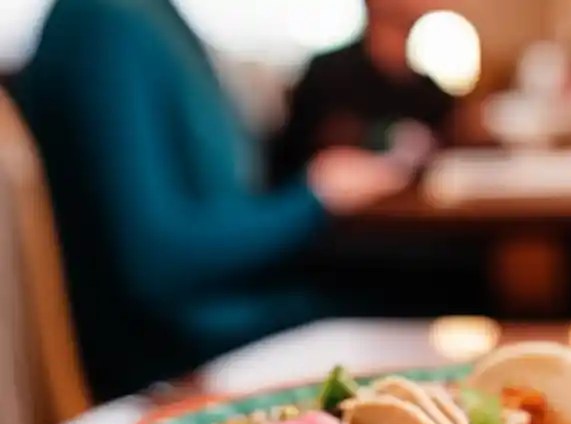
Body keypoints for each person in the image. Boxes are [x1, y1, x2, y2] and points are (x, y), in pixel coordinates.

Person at [15, 0, 412, 401]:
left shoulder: (147, 20)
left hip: (217, 317)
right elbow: (158, 261)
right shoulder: (104, 23)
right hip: (177, 357)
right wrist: (315, 197)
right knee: (427, 295)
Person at [271, 0, 456, 181]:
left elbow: (448, 134)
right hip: (325, 203)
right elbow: (306, 143)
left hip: (413, 203)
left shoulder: (425, 86)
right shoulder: (329, 72)